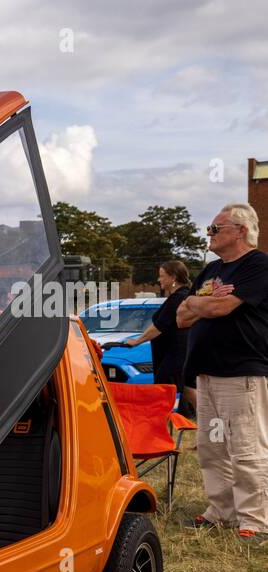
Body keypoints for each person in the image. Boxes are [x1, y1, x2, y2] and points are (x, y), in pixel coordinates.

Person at [176, 202, 268, 544]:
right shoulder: (211, 270)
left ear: (240, 231)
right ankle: (221, 512)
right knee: (212, 447)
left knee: (246, 448)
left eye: (215, 228)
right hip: (207, 376)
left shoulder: (258, 265)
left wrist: (206, 303)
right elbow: (181, 317)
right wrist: (206, 302)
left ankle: (255, 522)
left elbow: (221, 306)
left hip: (240, 374)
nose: (209, 234)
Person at [109, 260, 194, 414]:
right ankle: (188, 415)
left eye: (162, 276)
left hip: (175, 352)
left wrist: (137, 341)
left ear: (173, 277)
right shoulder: (179, 296)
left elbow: (159, 326)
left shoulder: (178, 298)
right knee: (182, 386)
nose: (159, 279)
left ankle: (163, 417)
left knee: (165, 384)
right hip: (173, 351)